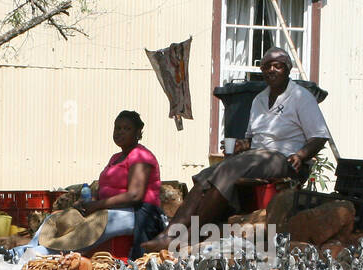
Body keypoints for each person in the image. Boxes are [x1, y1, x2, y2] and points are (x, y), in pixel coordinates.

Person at [141, 47, 329, 252]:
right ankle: (170, 233)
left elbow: (319, 136)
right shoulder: (259, 99)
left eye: (278, 66)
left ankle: (190, 235)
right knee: (207, 175)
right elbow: (253, 139)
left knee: (229, 169)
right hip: (257, 156)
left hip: (285, 158)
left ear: (288, 70)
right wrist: (242, 145)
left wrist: (301, 155)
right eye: (267, 66)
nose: (272, 70)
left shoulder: (301, 97)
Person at [75, 110, 166, 258]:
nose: (120, 132)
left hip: (137, 213)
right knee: (64, 221)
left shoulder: (141, 155)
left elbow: (135, 195)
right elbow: (105, 188)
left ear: (138, 132)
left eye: (126, 129)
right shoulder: (116, 158)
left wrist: (98, 205)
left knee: (86, 231)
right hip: (113, 211)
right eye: (117, 128)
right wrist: (89, 201)